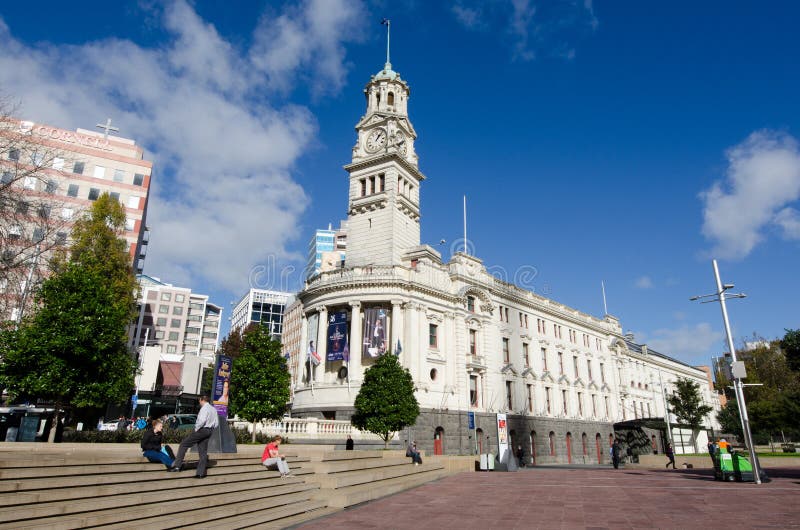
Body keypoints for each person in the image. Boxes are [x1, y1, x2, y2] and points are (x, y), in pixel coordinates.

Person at [168, 395, 219, 478]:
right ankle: (200, 473)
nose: (199, 402)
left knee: (184, 444)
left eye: (199, 400)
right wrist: (210, 429)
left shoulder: (204, 409)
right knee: (203, 452)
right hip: (209, 431)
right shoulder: (213, 409)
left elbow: (202, 420)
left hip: (202, 430)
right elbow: (216, 423)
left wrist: (196, 428)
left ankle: (177, 466)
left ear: (202, 400)